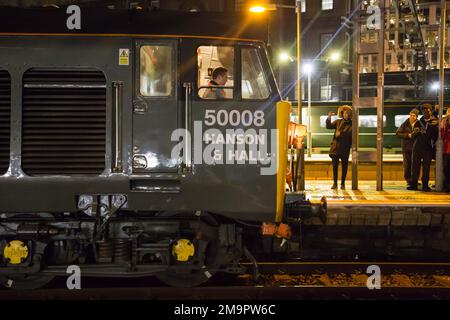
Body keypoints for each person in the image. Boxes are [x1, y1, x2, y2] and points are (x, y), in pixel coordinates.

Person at [409, 104, 439, 191]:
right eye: (424, 111)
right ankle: (413, 184)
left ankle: (425, 185)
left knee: (426, 167)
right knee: (415, 166)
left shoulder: (434, 122)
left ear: (430, 111)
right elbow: (413, 136)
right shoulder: (418, 122)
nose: (426, 112)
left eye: (428, 110)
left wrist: (429, 130)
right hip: (417, 147)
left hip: (428, 148)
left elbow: (436, 136)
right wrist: (417, 132)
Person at [326, 105, 352, 189]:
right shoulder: (337, 122)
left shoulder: (352, 123)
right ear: (342, 114)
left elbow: (350, 134)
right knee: (335, 166)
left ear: (349, 114)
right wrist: (329, 117)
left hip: (345, 148)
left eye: (347, 113)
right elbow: (328, 126)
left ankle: (343, 183)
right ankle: (335, 183)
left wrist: (341, 134)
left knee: (344, 166)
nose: (346, 115)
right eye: (344, 113)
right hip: (336, 148)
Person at [396, 108, 419, 188]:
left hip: (416, 148)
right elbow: (398, 133)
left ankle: (414, 180)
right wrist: (407, 135)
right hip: (406, 148)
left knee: (415, 165)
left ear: (417, 116)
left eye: (414, 116)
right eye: (411, 115)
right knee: (407, 165)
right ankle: (408, 180)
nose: (412, 117)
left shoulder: (419, 124)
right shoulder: (405, 123)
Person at [442, 108, 450, 191]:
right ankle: (446, 184)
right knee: (445, 168)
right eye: (448, 112)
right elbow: (442, 134)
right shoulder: (444, 121)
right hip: (446, 149)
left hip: (447, 148)